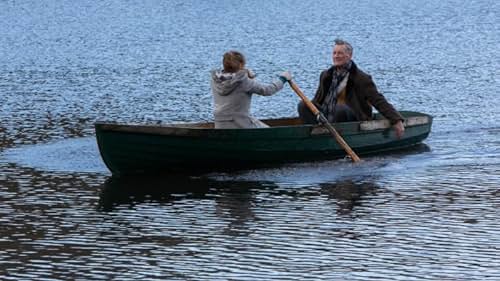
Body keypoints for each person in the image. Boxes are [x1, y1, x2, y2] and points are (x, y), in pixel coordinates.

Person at [298, 39, 405, 138]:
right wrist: (310, 107)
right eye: (334, 53)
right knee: (303, 105)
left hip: (352, 119)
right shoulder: (326, 75)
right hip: (327, 115)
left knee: (339, 108)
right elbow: (318, 99)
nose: (336, 56)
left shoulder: (361, 78)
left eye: (340, 53)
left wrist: (396, 120)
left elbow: (378, 100)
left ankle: (337, 137)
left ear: (349, 55)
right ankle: (313, 134)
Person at [211, 50, 292, 129]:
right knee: (271, 131)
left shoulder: (216, 80)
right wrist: (283, 79)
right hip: (240, 124)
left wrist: (245, 73)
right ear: (241, 65)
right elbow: (267, 90)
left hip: (220, 124)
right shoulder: (243, 81)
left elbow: (233, 78)